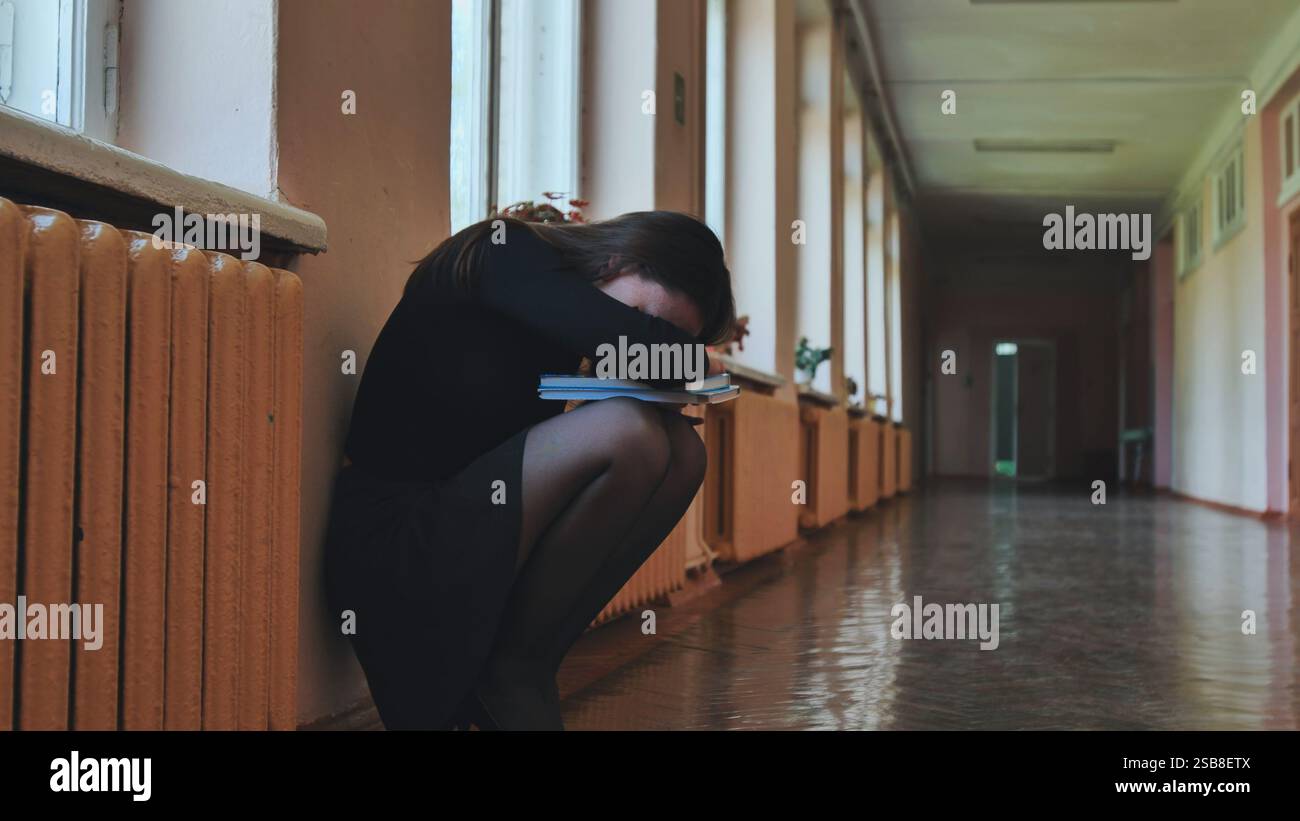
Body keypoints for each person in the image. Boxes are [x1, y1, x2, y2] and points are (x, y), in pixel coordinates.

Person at [323, 210, 736, 730]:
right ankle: (510, 673)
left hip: (467, 518)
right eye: (650, 321)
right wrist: (689, 359)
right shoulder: (503, 249)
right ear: (620, 261)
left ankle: (523, 663)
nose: (654, 340)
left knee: (682, 452)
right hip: (396, 534)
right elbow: (640, 346)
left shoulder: (558, 322)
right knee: (631, 432)